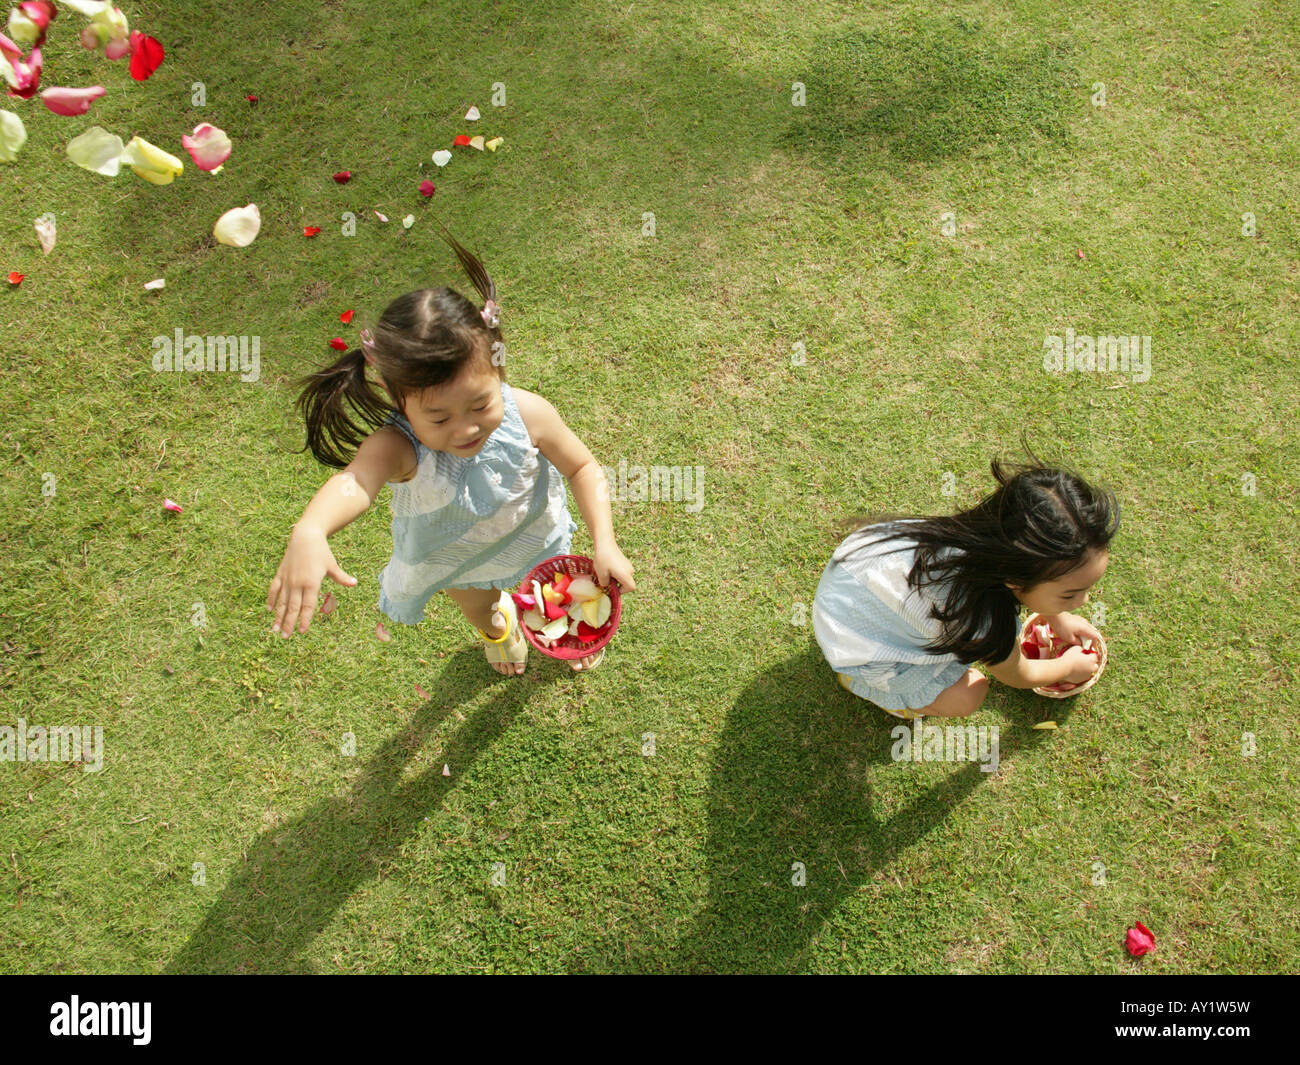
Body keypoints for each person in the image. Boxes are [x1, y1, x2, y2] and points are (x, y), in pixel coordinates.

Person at [266, 226, 635, 675]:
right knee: (482, 609)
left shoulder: (529, 412)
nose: (467, 428)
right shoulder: (399, 448)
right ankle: (498, 632)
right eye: (439, 419)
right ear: (395, 395)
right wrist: (311, 528)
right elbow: (357, 481)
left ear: (497, 366)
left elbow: (581, 466)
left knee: (557, 590)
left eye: (481, 403)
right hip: (458, 558)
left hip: (534, 534)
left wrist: (605, 541)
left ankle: (572, 626)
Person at [813, 457, 1117, 718]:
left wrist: (1057, 616)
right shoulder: (979, 621)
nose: (1082, 601)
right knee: (970, 694)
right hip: (854, 648)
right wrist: (1067, 667)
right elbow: (1019, 673)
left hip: (845, 594)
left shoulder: (968, 539)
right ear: (1014, 577)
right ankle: (859, 682)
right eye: (1069, 594)